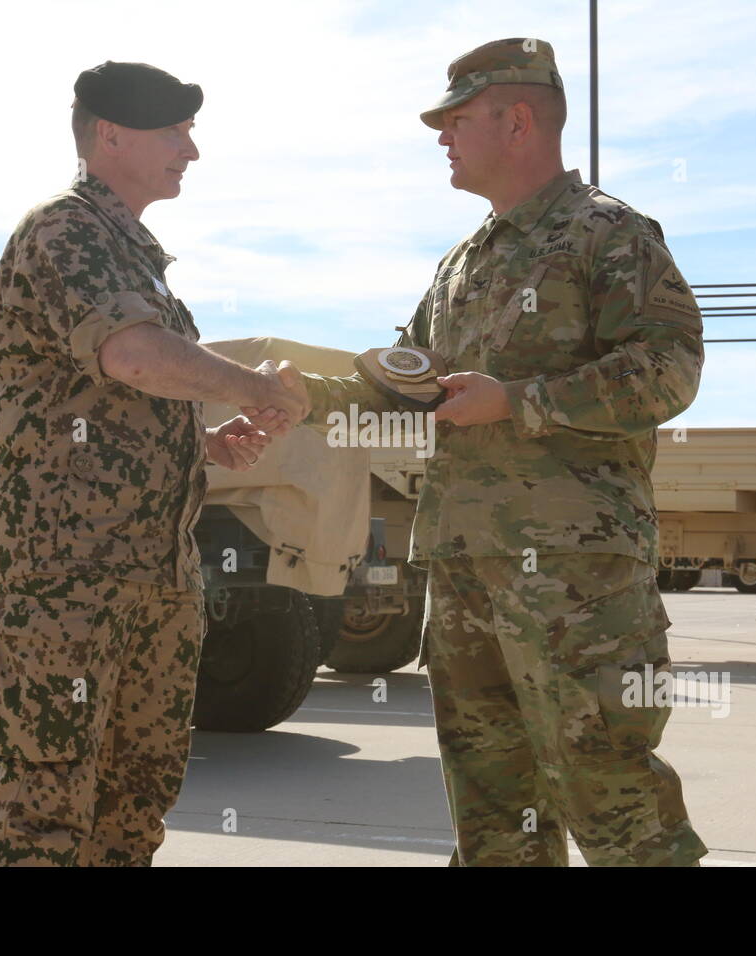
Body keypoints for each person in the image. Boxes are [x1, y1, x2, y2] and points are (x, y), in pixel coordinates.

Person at [259, 38, 709, 866]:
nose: (441, 136)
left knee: (612, 797)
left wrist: (524, 401)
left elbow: (670, 370)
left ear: (518, 119)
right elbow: (404, 385)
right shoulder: (463, 263)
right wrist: (307, 398)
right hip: (466, 569)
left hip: (575, 581)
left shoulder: (606, 234)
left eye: (456, 118)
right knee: (493, 808)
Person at [0, 60, 306, 866]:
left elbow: (104, 406)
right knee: (47, 804)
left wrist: (205, 444)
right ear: (109, 135)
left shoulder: (132, 252)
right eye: (175, 131)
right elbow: (130, 356)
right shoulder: (64, 228)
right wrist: (251, 385)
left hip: (154, 576)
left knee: (136, 796)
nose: (191, 150)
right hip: (69, 580)